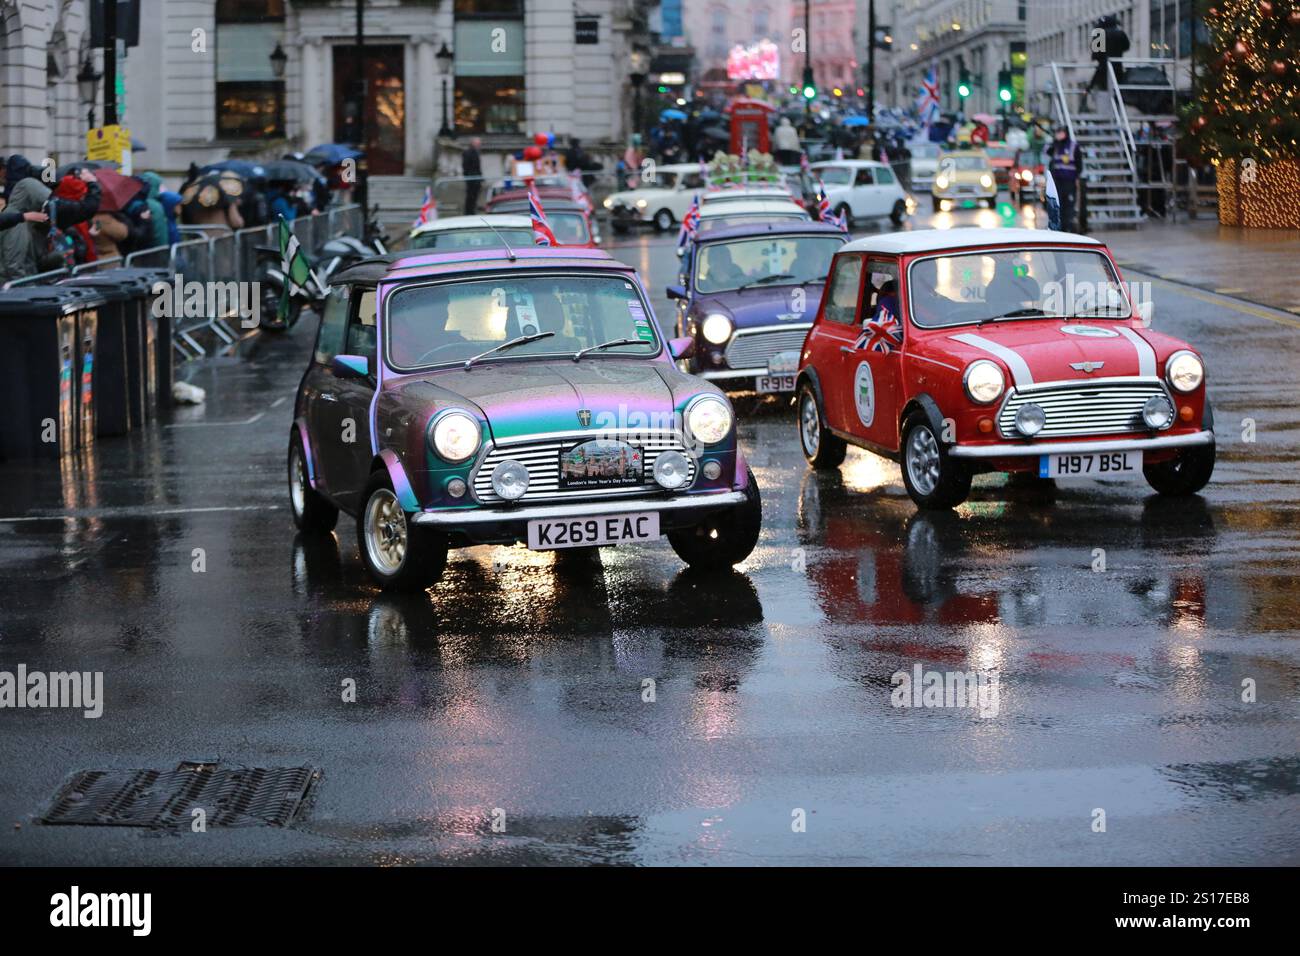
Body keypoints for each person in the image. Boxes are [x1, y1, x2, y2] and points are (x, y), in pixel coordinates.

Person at [1082, 14, 1130, 112]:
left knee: (1103, 96)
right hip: (1118, 69)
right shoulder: (1120, 33)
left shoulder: (1099, 34)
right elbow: (1126, 46)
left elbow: (1096, 55)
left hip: (1102, 71)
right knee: (1117, 93)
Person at [1047, 127, 1082, 231]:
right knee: (1059, 205)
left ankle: (1069, 228)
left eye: (1061, 133)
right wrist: (1055, 142)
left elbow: (1079, 164)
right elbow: (1048, 151)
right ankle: (1060, 228)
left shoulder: (1073, 146)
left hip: (1069, 181)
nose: (1059, 135)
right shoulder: (1056, 146)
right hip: (1058, 181)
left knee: (1069, 206)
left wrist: (1077, 177)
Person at [462, 137, 482, 215]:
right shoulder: (468, 152)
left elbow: (478, 167)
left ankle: (471, 210)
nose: (479, 145)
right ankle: (469, 212)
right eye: (478, 143)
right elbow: (466, 166)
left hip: (476, 178)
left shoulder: (476, 152)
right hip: (472, 178)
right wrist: (469, 176)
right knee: (470, 196)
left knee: (474, 196)